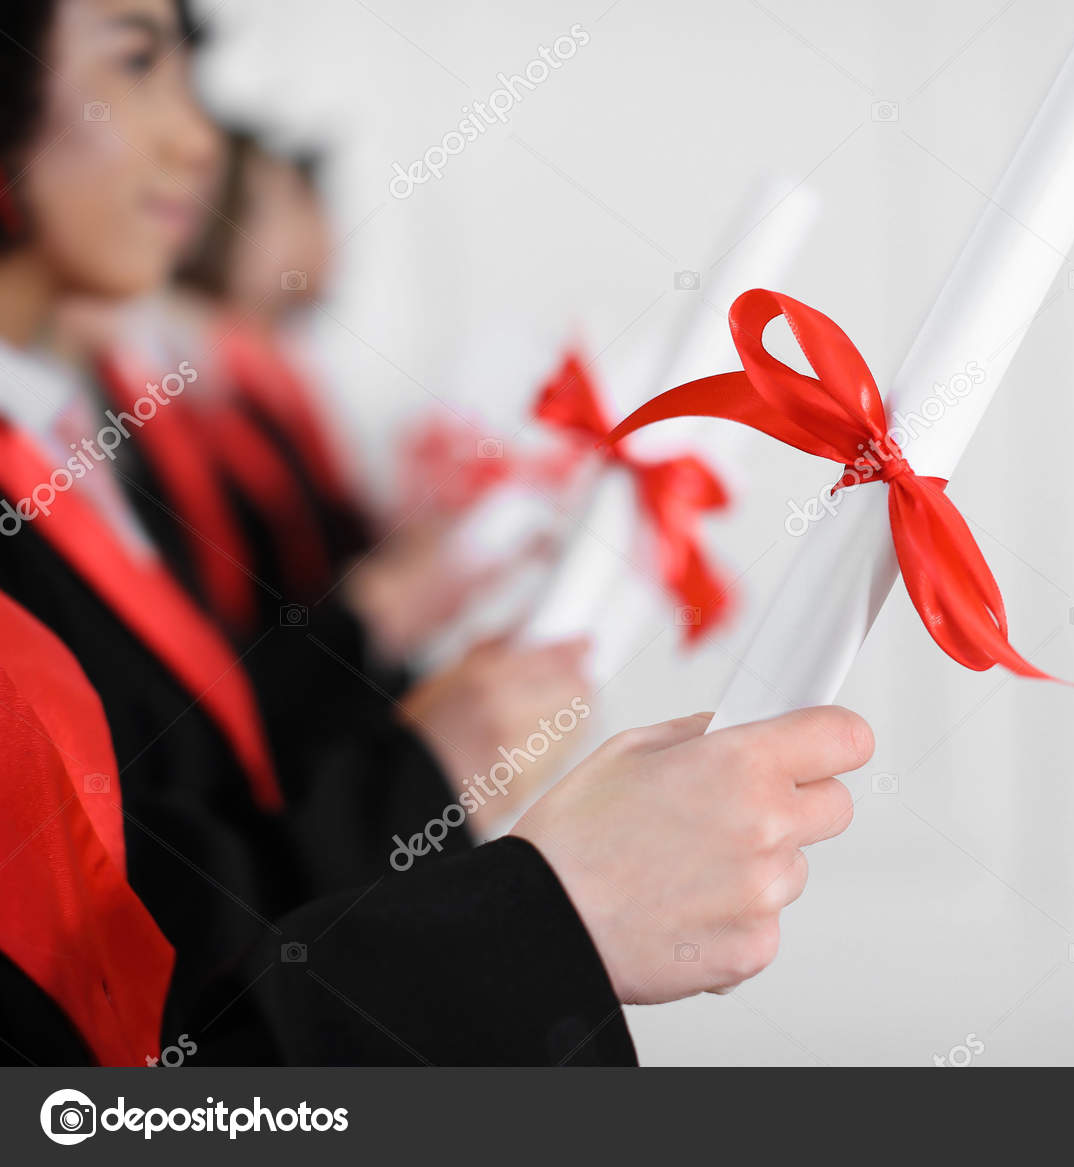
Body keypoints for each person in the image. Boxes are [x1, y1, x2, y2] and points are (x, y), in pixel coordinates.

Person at [0, 0, 868, 1066]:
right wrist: (452, 808)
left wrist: (425, 729)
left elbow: (180, 797)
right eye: (136, 64)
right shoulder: (125, 421)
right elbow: (126, 990)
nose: (196, 142)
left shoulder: (78, 429)